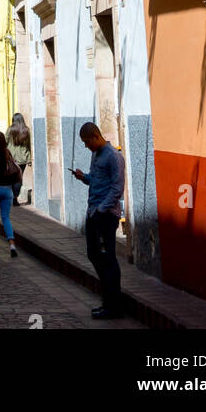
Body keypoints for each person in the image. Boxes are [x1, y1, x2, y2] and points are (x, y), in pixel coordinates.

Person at [71, 122, 126, 319]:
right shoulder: (95, 155)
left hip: (105, 215)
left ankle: (114, 305)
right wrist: (82, 177)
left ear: (96, 136)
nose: (86, 146)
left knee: (107, 257)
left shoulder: (113, 157)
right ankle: (107, 300)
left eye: (87, 142)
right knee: (94, 254)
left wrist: (102, 209)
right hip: (93, 212)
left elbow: (117, 188)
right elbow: (95, 178)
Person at [6, 112, 32, 203]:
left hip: (11, 158)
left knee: (11, 177)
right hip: (23, 159)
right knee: (19, 178)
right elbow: (29, 145)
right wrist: (29, 159)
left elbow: (5, 141)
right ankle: (15, 197)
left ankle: (11, 195)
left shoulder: (10, 129)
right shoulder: (26, 130)